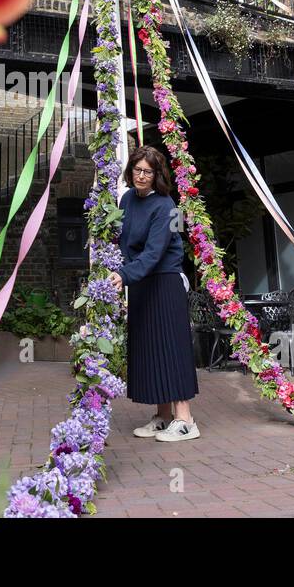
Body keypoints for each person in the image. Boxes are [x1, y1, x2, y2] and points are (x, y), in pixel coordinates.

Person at [108, 145, 200, 442]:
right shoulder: (125, 200)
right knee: (149, 350)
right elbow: (122, 242)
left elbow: (155, 252)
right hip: (140, 284)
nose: (142, 176)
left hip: (164, 282)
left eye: (148, 171)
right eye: (137, 170)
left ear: (157, 174)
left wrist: (123, 275)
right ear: (130, 170)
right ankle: (162, 417)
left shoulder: (168, 206)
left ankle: (185, 420)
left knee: (171, 349)